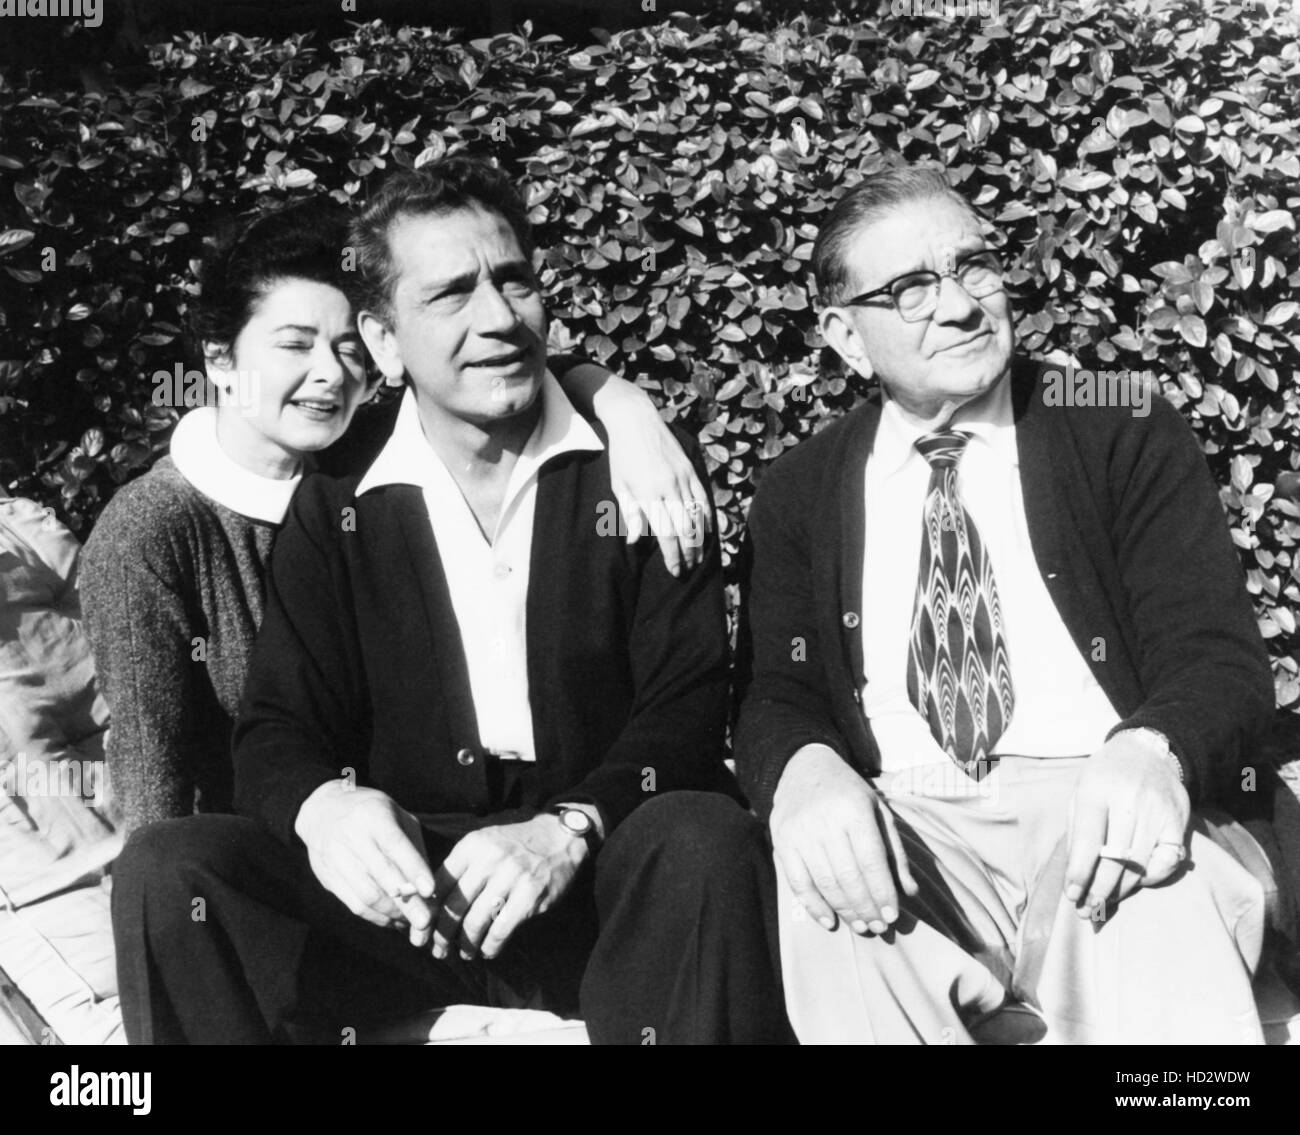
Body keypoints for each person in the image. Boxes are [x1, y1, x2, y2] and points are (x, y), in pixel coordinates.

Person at [110, 157, 789, 1045]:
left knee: (703, 836)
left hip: (598, 875)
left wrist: (568, 827)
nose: (498, 318)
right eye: (451, 294)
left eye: (515, 281)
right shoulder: (337, 492)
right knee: (172, 867)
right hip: (408, 907)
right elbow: (277, 725)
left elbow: (687, 706)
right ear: (386, 342)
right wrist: (326, 808)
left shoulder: (640, 468)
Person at [735, 164, 1282, 1044]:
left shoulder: (1117, 425)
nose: (960, 305)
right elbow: (776, 691)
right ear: (844, 335)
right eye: (912, 289)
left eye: (974, 266)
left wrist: (1155, 749)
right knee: (827, 892)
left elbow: (1217, 657)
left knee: (1152, 874)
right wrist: (802, 771)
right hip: (913, 820)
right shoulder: (800, 490)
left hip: (1095, 794)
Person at [80, 199, 714, 835]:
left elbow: (493, 369)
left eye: (348, 347)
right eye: (294, 345)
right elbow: (150, 771)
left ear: (381, 347)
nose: (329, 374)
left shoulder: (368, 471)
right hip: (265, 841)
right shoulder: (150, 528)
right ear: (219, 359)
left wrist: (620, 403)